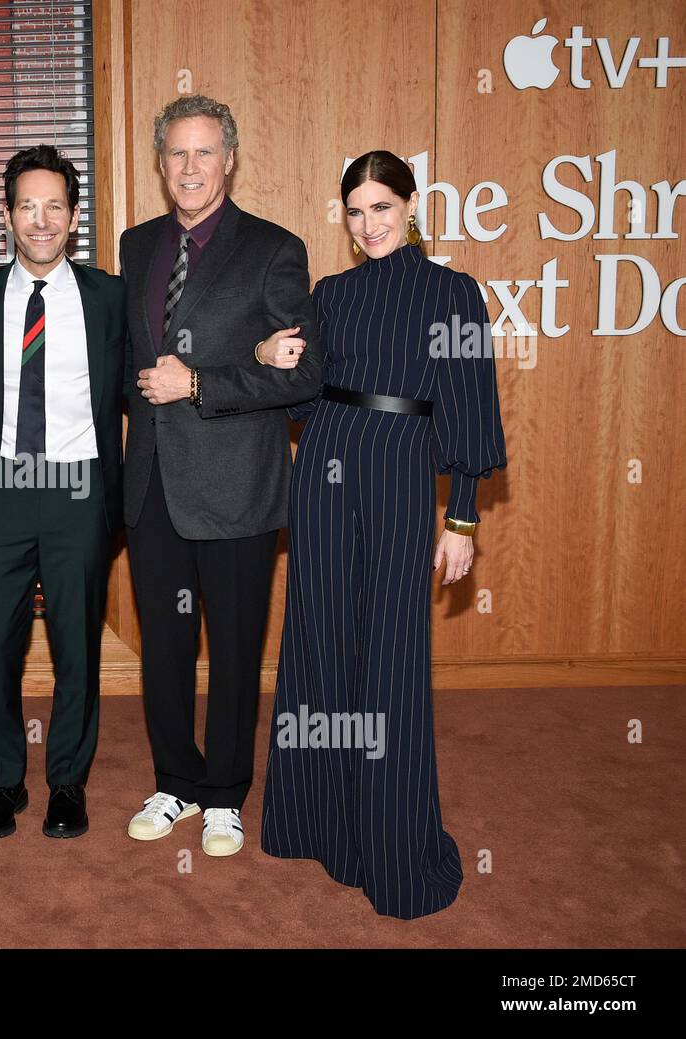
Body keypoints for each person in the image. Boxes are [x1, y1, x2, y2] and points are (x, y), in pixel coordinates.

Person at [260, 150, 507, 919]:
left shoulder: (454, 293)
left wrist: (461, 516)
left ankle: (394, 852)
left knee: (392, 659)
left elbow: (468, 401)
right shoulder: (329, 292)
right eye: (355, 211)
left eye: (383, 208)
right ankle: (325, 828)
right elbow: (299, 398)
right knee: (321, 643)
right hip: (327, 467)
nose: (369, 224)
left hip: (402, 475)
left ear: (412, 204)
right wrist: (272, 355)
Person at [120, 95, 321, 857]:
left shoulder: (274, 249)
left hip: (237, 487)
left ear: (229, 160)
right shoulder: (137, 246)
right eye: (177, 153)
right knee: (165, 651)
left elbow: (304, 377)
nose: (190, 168)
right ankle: (174, 781)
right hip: (153, 488)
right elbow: (128, 364)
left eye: (205, 153)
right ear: (161, 161)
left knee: (235, 651)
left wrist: (201, 382)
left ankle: (226, 795)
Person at [0, 145, 127, 840]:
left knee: (76, 643)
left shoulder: (108, 297)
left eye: (54, 205)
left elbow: (140, 387)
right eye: (27, 205)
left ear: (74, 216)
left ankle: (67, 782)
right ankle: (4, 783)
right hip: (1, 486)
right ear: (6, 214)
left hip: (78, 486)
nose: (41, 219)